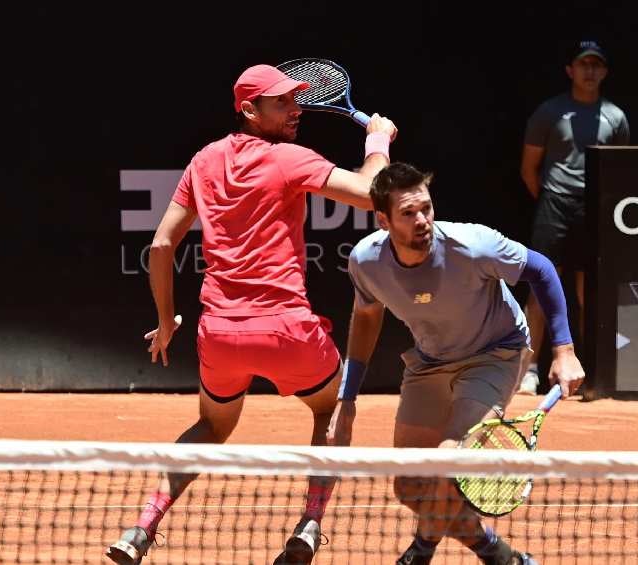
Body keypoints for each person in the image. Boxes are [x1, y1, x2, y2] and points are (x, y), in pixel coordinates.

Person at [105, 64, 397, 565]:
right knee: (331, 408)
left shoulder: (204, 160)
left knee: (211, 426)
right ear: (249, 110)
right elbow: (373, 192)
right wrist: (378, 141)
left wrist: (167, 319)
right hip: (288, 332)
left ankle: (142, 526)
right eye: (282, 102)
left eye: (296, 100)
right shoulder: (289, 158)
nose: (296, 109)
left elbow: (161, 245)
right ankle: (310, 523)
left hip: (220, 335)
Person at [329, 162, 585, 565]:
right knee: (411, 487)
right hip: (429, 361)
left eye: (426, 208)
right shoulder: (366, 261)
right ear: (383, 220)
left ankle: (420, 551)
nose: (422, 220)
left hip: (495, 353)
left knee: (450, 459)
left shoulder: (473, 245)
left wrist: (564, 351)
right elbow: (365, 317)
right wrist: (348, 398)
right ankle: (499, 554)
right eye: (408, 213)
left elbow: (541, 269)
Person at [518, 39, 629, 395]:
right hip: (553, 204)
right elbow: (529, 169)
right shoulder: (549, 112)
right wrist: (552, 198)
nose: (590, 71)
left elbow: (620, 170)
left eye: (596, 65)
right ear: (570, 70)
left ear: (605, 72)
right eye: (583, 64)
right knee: (540, 284)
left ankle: (589, 371)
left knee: (588, 292)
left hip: (594, 210)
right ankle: (528, 371)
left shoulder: (615, 117)